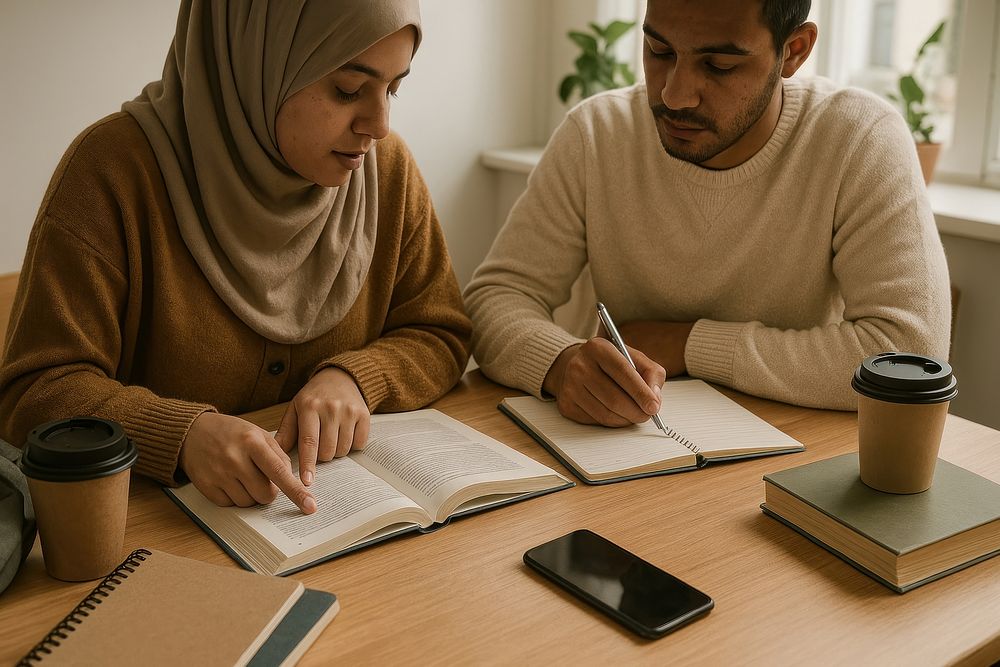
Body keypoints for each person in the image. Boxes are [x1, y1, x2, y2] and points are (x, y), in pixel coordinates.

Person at [0, 0, 471, 514]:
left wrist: (359, 376)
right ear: (256, 62)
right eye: (348, 90)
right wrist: (182, 434)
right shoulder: (112, 173)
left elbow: (441, 332)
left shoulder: (387, 173)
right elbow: (36, 394)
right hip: (154, 542)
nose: (379, 124)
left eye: (394, 88)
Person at [464, 0, 951, 427]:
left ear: (794, 50)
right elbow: (497, 297)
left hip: (798, 452)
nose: (674, 95)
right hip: (622, 455)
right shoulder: (597, 133)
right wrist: (560, 361)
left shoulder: (859, 138)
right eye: (659, 52)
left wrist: (690, 345)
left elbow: (910, 355)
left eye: (718, 65)